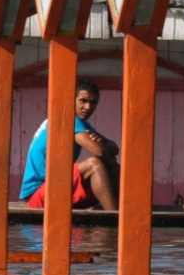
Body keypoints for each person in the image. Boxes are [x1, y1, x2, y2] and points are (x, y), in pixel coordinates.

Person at [19, 76, 120, 211]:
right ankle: (115, 220)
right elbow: (99, 151)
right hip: (38, 195)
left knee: (111, 164)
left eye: (93, 102)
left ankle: (119, 211)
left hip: (57, 189)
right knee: (95, 164)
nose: (88, 107)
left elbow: (115, 148)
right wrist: (104, 147)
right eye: (83, 101)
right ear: (72, 100)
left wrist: (103, 144)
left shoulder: (82, 123)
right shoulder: (66, 119)